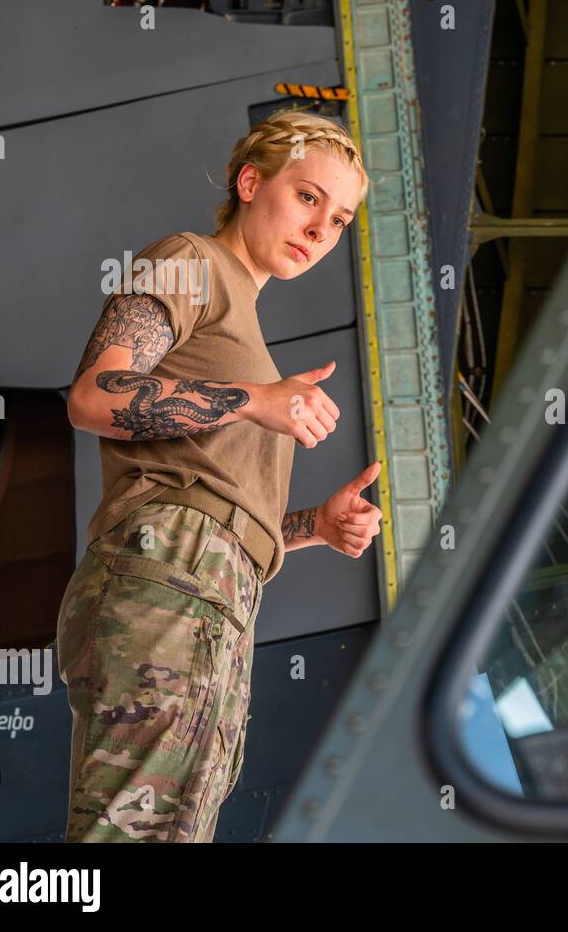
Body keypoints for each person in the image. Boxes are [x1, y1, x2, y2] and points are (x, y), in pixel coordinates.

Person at [56, 110, 383, 842]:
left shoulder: (245, 326)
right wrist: (254, 400)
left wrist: (313, 528)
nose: (321, 229)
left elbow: (218, 497)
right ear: (250, 181)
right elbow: (92, 396)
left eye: (339, 220)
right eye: (307, 198)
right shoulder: (189, 261)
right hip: (167, 577)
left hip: (213, 594)